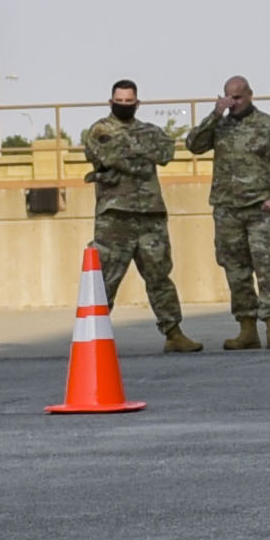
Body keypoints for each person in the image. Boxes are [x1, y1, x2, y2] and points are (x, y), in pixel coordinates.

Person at [75, 78, 197, 350]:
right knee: (106, 279)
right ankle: (92, 339)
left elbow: (165, 152)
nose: (124, 106)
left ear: (137, 103)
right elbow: (108, 156)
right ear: (111, 102)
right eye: (120, 102)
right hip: (115, 217)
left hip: (150, 215)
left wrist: (129, 154)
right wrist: (142, 155)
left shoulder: (150, 129)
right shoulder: (100, 129)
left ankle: (174, 334)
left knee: (159, 276)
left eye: (129, 102)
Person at [183, 77, 270, 348]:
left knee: (266, 268)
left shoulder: (269, 127)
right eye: (228, 97)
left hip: (260, 209)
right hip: (227, 210)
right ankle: (246, 329)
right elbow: (193, 144)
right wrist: (214, 114)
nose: (233, 103)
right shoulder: (220, 126)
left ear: (250, 94)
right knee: (235, 270)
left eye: (237, 97)